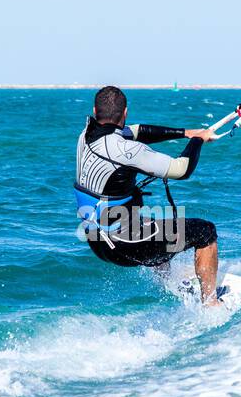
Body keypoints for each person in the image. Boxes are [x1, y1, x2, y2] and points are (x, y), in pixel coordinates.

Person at [74, 85, 223, 303]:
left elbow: (136, 131)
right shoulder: (125, 150)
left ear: (95, 112)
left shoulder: (85, 136)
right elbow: (181, 169)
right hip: (123, 245)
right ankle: (211, 304)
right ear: (125, 112)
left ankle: (169, 287)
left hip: (96, 240)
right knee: (205, 231)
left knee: (152, 226)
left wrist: (185, 133)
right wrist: (197, 140)